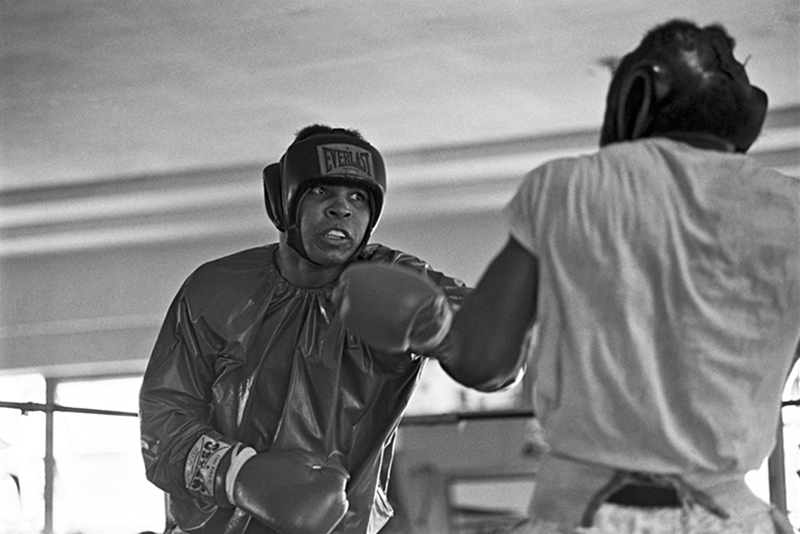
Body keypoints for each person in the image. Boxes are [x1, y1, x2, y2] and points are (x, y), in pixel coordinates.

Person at [338, 19, 800, 534]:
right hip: (734, 519)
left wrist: (434, 330)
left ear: (638, 92)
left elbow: (486, 361)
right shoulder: (793, 209)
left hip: (586, 514)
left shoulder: (571, 187)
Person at [138, 124, 471, 534]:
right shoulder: (214, 291)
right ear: (282, 201)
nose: (341, 209)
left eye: (358, 197)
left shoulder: (395, 278)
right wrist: (240, 475)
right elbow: (162, 426)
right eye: (320, 191)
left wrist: (445, 330)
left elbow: (501, 342)